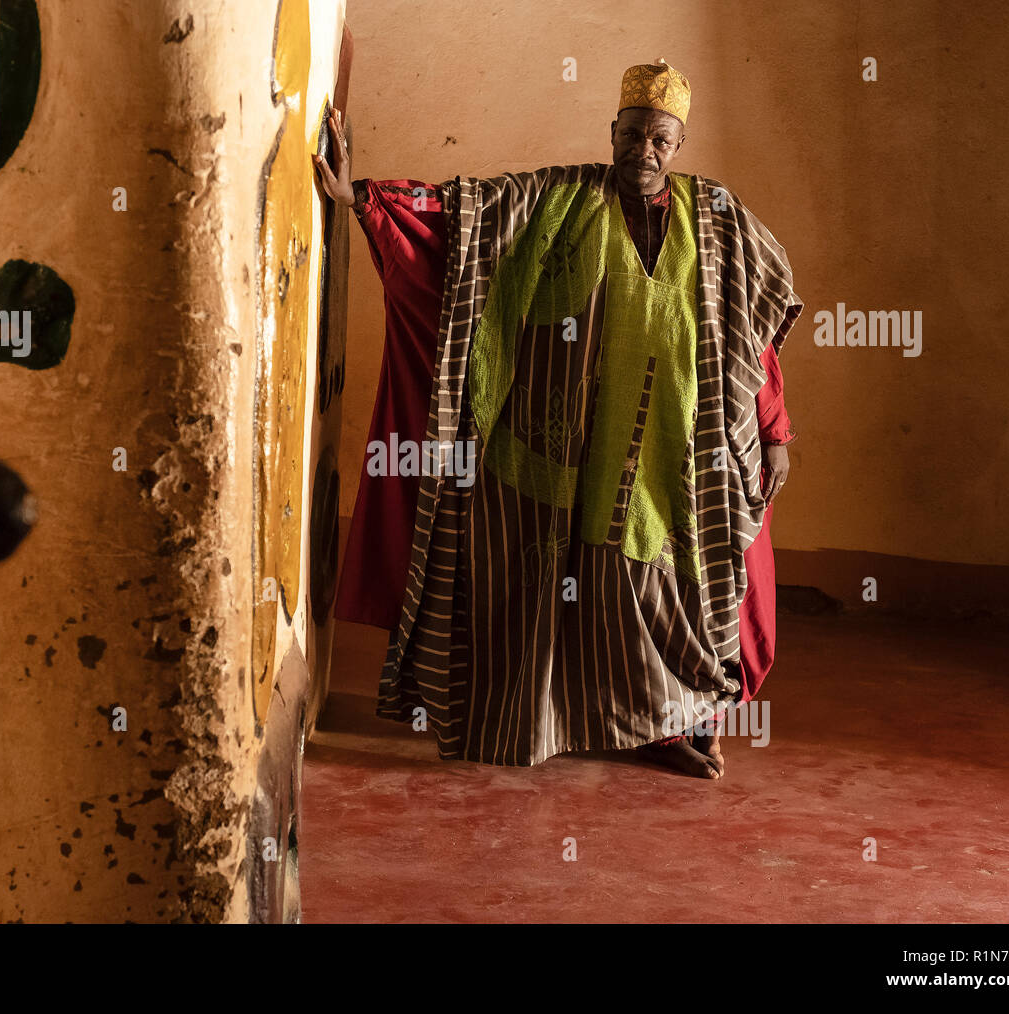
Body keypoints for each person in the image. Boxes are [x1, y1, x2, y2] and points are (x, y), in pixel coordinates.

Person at [315, 60, 800, 778]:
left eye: (661, 139)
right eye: (632, 134)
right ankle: (529, 711)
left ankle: (674, 727)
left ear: (680, 143)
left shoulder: (719, 219)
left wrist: (774, 429)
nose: (644, 149)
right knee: (552, 580)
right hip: (562, 448)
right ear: (613, 131)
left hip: (678, 449)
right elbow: (464, 219)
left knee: (670, 587)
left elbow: (746, 334)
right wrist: (361, 195)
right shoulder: (558, 197)